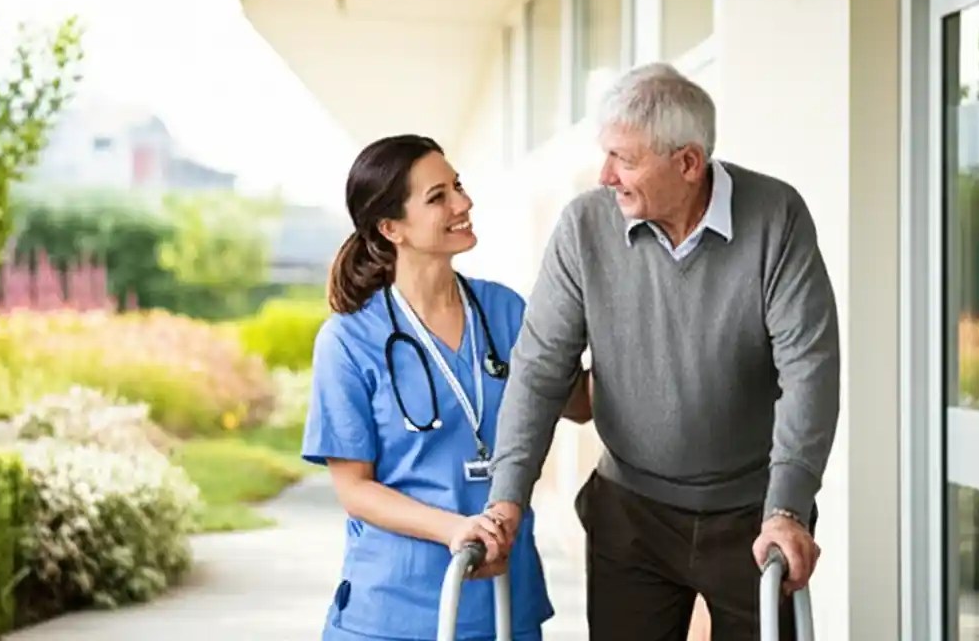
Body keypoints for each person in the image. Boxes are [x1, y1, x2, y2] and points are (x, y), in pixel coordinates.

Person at [473, 63, 841, 640]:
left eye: (624, 158)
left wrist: (788, 508)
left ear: (688, 163)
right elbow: (541, 369)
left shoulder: (775, 217)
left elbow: (809, 370)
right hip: (631, 511)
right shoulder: (583, 227)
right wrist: (506, 498)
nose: (605, 175)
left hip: (752, 513)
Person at [302, 133, 592, 641]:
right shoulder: (350, 339)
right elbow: (355, 489)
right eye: (439, 197)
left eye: (458, 185)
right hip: (395, 610)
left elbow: (581, 404)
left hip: (504, 604)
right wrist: (453, 529)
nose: (463, 203)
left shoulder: (505, 311)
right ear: (392, 227)